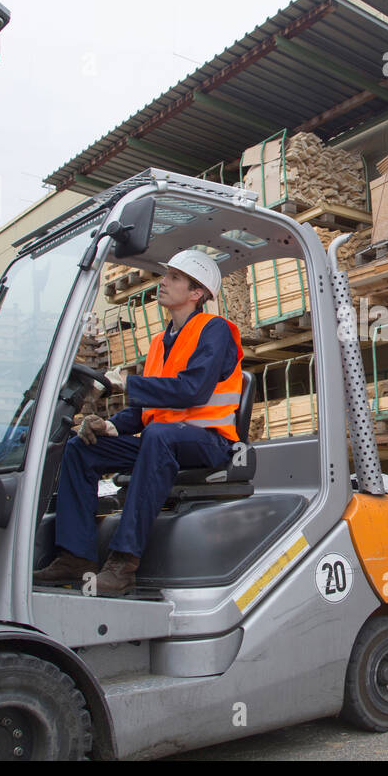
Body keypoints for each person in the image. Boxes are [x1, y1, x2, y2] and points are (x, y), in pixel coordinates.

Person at [33, 249, 243, 596]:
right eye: (167, 274)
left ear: (197, 293)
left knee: (158, 437)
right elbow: (149, 408)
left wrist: (127, 383)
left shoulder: (215, 330)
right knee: (82, 447)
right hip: (164, 442)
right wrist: (111, 425)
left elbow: (192, 390)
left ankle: (123, 563)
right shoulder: (161, 342)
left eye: (174, 277)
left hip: (210, 442)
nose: (164, 282)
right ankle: (74, 556)